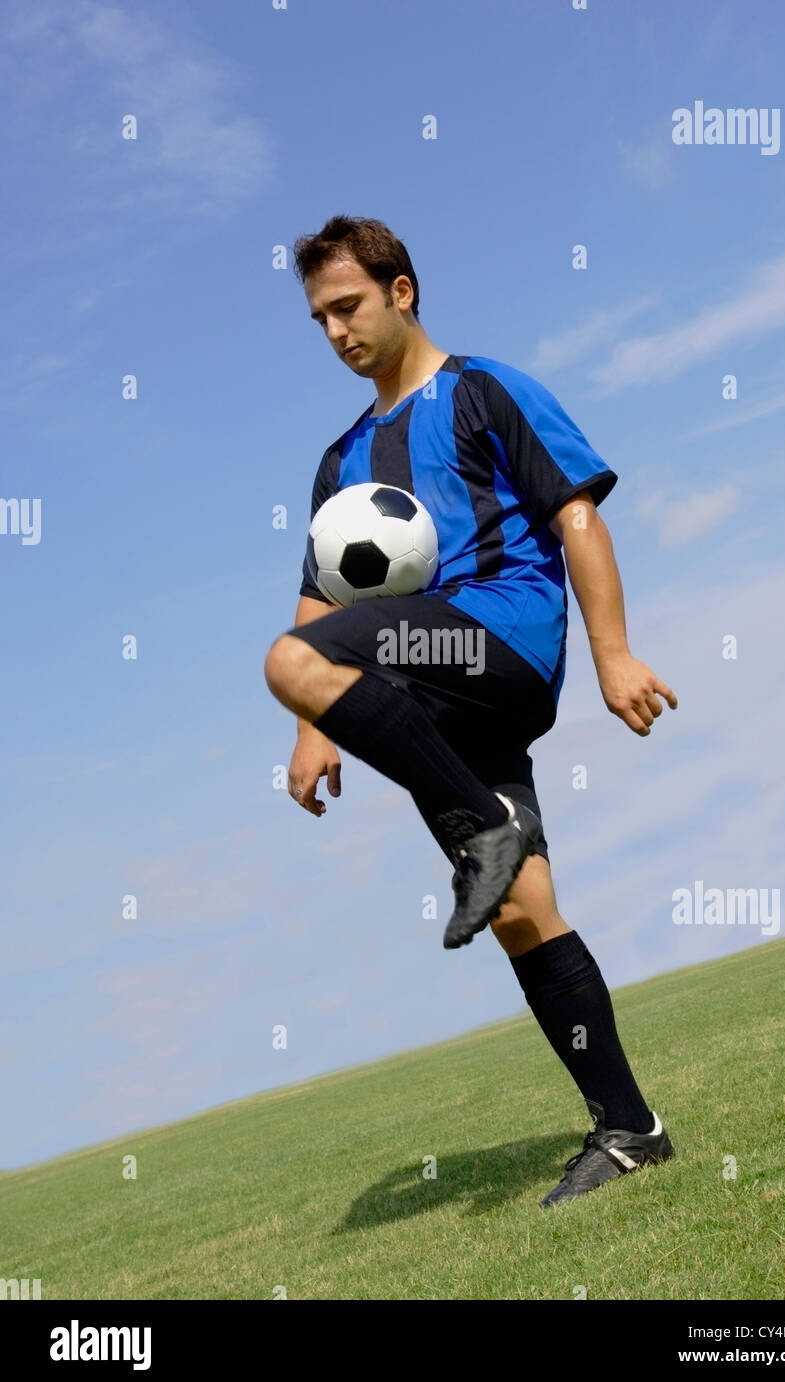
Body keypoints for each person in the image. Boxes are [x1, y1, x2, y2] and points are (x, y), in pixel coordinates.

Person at [264, 215, 678, 1206]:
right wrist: (314, 726)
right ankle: (630, 1128)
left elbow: (576, 514)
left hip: (497, 641)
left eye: (348, 306)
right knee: (522, 915)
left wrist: (612, 651)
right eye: (318, 317)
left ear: (401, 290)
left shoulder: (484, 391)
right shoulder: (341, 461)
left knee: (287, 662)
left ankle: (479, 825)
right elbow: (325, 595)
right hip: (432, 706)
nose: (335, 332)